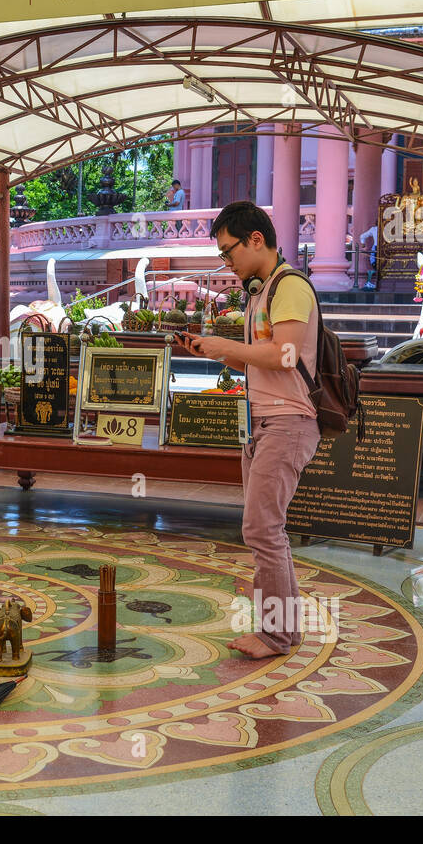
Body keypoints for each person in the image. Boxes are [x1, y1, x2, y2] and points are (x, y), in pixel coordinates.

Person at [178, 201, 323, 659]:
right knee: (264, 529)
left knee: (263, 529)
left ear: (255, 239)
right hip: (259, 420)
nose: (227, 262)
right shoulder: (258, 291)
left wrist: (225, 343)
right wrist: (214, 351)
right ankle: (280, 629)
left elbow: (284, 354)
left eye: (229, 252)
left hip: (287, 420)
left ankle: (278, 635)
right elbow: (257, 358)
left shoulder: (291, 286)